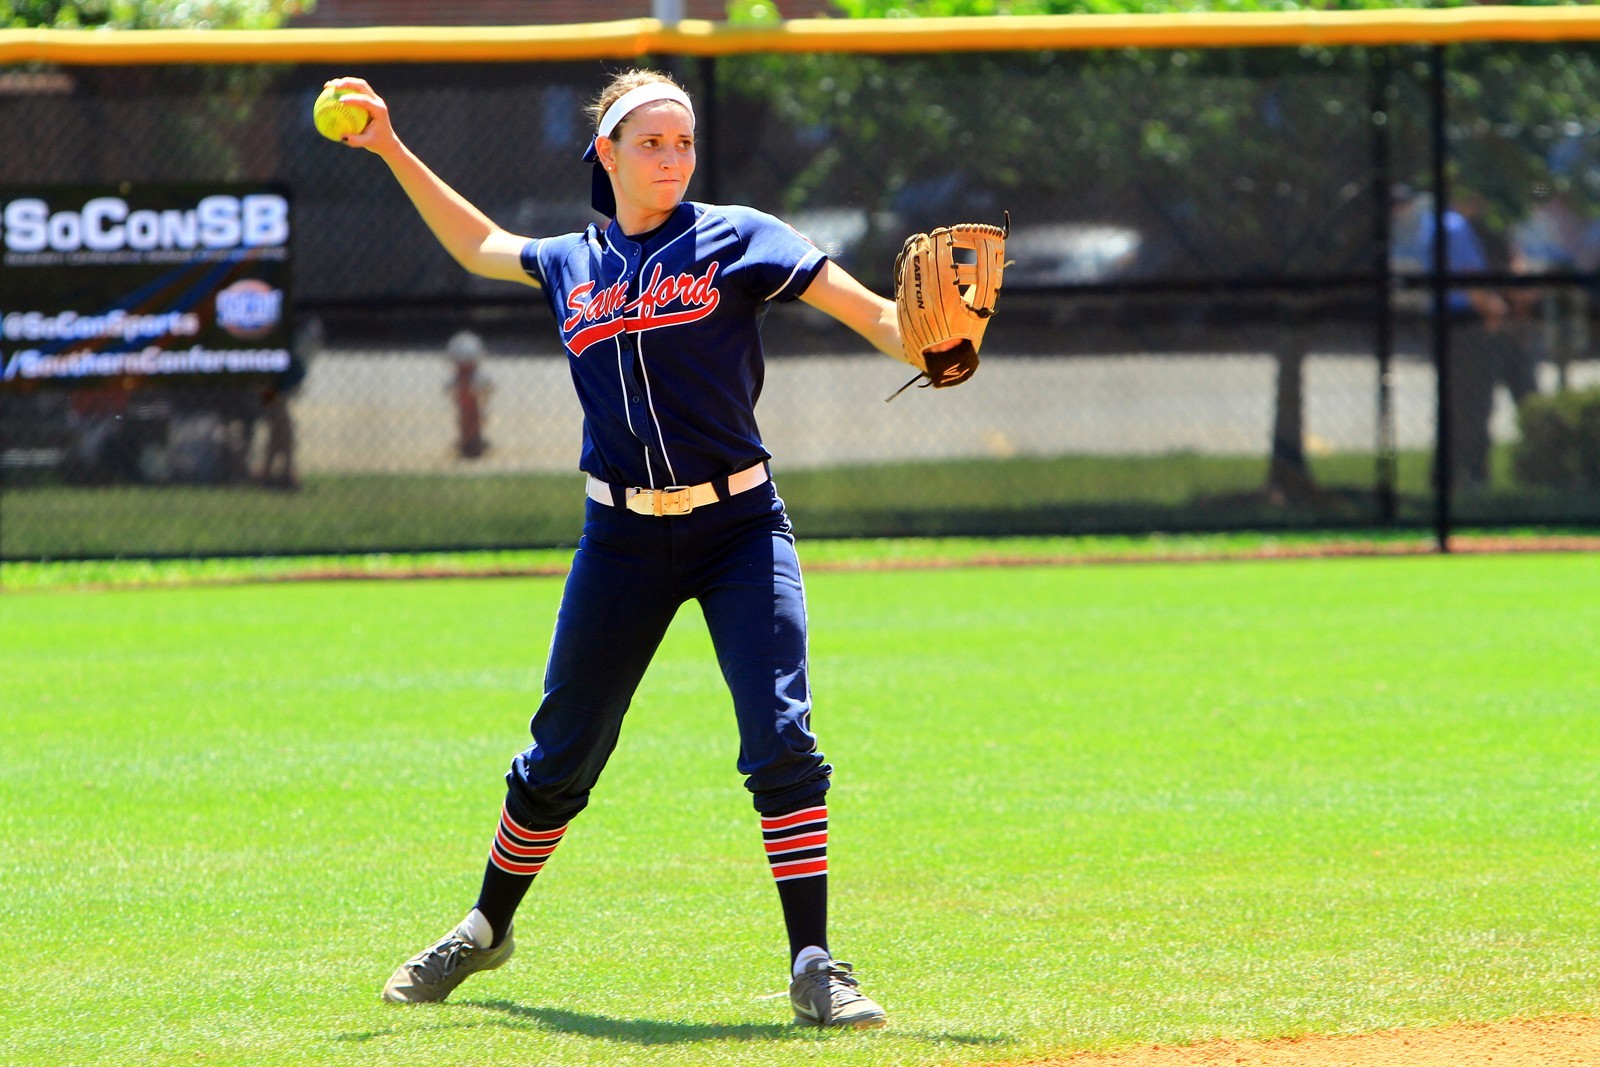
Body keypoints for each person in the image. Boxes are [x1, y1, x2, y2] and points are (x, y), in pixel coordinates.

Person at [329, 68, 934, 1029]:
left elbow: (881, 319)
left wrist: (936, 344)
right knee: (560, 751)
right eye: (650, 142)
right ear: (604, 154)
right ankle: (486, 928)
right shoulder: (573, 258)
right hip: (620, 537)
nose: (672, 158)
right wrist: (393, 147)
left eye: (684, 142)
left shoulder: (741, 237)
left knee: (781, 733)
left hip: (740, 527)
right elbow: (482, 244)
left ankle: (816, 963)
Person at [1389, 184, 1528, 490]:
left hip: (1443, 321)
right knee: (1475, 402)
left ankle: (1447, 476)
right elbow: (1470, 277)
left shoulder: (1435, 224)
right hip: (1465, 323)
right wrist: (1494, 312)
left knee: (1455, 403)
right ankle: (1472, 474)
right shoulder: (1455, 225)